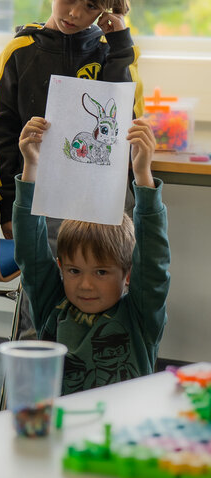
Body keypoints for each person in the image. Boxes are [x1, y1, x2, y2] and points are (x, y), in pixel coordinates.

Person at [0, 0, 142, 238]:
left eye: (91, 6)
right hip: (39, 200)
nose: (74, 13)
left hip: (100, 205)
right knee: (43, 267)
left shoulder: (111, 52)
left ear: (105, 10)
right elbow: (0, 132)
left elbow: (128, 121)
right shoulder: (20, 52)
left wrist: (121, 47)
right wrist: (8, 204)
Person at [13, 116, 169, 394]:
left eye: (101, 272)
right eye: (74, 271)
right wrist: (32, 166)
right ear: (61, 267)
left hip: (121, 422)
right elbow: (30, 249)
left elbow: (154, 261)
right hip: (60, 420)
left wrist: (142, 174)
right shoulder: (53, 304)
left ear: (128, 274)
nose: (85, 285)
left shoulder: (141, 315)